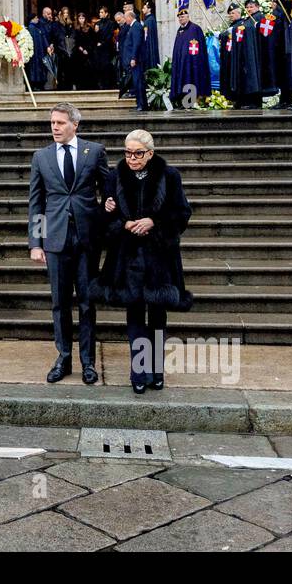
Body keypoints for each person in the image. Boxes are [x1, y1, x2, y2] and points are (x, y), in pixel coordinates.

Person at [95, 129, 192, 394]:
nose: (132, 158)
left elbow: (182, 214)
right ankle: (139, 371)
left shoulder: (169, 176)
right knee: (135, 313)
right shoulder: (114, 177)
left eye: (138, 153)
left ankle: (157, 371)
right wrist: (120, 222)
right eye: (127, 152)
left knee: (158, 315)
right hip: (127, 257)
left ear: (150, 153)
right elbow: (103, 220)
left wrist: (154, 222)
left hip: (160, 256)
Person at [28, 103, 112, 385]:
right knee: (59, 303)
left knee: (87, 303)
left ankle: (88, 362)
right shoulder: (41, 157)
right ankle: (63, 357)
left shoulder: (95, 151)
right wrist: (35, 243)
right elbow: (36, 203)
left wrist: (102, 218)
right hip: (54, 241)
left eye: (60, 123)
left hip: (88, 240)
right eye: (52, 122)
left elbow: (108, 190)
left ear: (75, 125)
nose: (55, 127)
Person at [219, 3, 266, 109]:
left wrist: (233, 31)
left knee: (249, 78)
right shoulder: (242, 23)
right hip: (240, 55)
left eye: (232, 13)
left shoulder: (250, 21)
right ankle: (241, 100)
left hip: (248, 55)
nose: (230, 15)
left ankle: (251, 102)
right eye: (229, 14)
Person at [168, 7, 211, 109]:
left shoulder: (195, 28)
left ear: (188, 17)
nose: (181, 19)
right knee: (182, 81)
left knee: (191, 80)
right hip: (181, 63)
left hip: (193, 63)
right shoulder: (180, 31)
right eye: (179, 18)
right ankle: (184, 102)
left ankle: (191, 102)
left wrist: (193, 60)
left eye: (183, 17)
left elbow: (198, 47)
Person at [118, 8, 146, 112]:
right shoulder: (132, 27)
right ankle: (141, 104)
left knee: (138, 82)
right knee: (137, 82)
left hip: (136, 60)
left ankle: (141, 105)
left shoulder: (136, 27)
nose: (125, 20)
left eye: (125, 18)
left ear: (130, 17)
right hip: (134, 60)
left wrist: (133, 58)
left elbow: (136, 44)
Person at [140, 1, 161, 70]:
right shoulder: (148, 19)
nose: (142, 9)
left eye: (144, 8)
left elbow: (147, 36)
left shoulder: (150, 20)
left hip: (149, 46)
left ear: (149, 9)